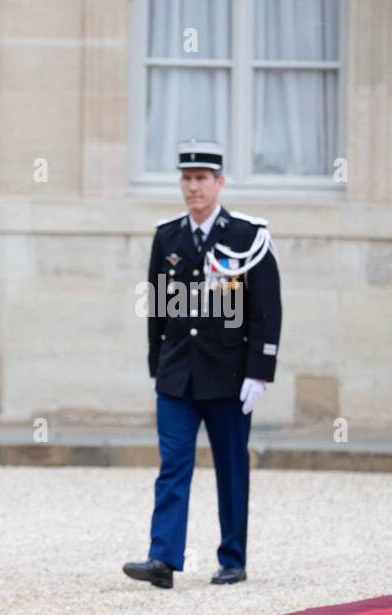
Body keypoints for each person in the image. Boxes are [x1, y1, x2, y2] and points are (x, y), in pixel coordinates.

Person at [123, 140, 282, 589]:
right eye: (187, 179)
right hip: (177, 376)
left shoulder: (248, 236)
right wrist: (157, 364)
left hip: (230, 378)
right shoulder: (168, 235)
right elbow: (157, 306)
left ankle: (233, 558)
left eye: (202, 179)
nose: (193, 187)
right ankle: (163, 559)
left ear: (219, 182)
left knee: (231, 467)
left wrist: (259, 371)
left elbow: (266, 309)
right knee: (173, 466)